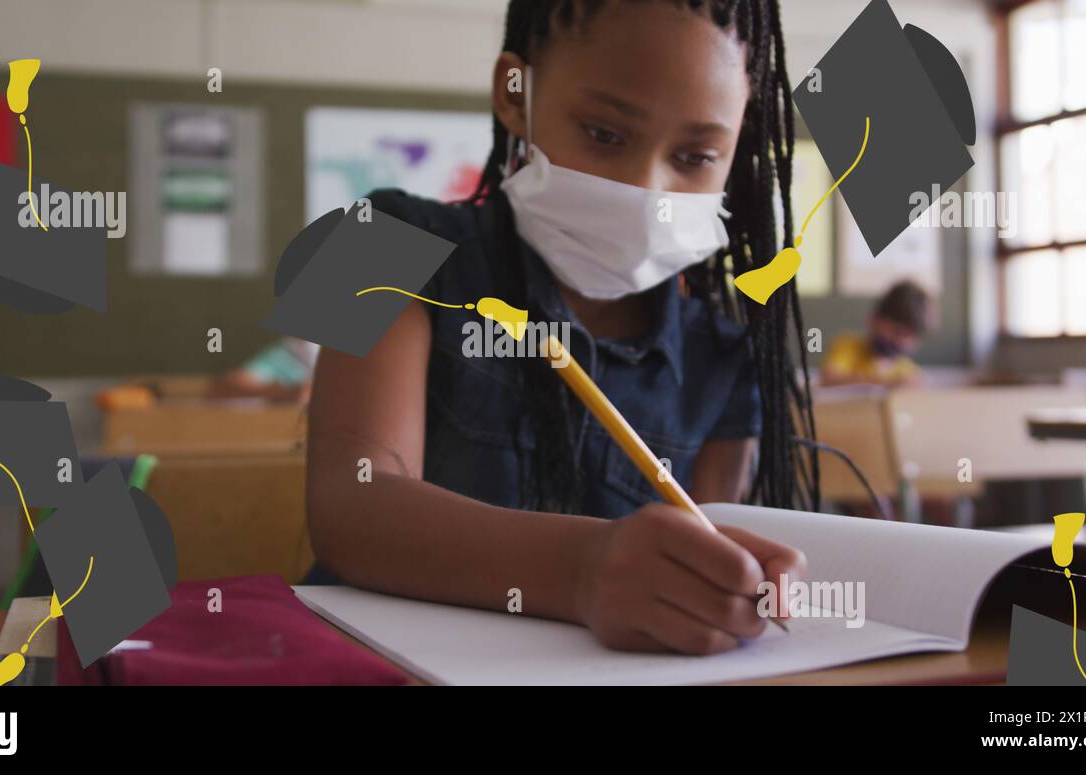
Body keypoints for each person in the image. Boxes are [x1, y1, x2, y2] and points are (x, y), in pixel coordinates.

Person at [306, 0, 815, 655]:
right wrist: (581, 568)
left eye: (695, 156)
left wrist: (725, 589)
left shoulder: (730, 355)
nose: (644, 184)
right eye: (605, 133)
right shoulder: (372, 238)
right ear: (513, 94)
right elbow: (347, 507)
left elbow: (706, 556)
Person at [821, 280, 934, 389]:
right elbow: (828, 379)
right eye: (897, 331)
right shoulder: (847, 346)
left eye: (911, 337)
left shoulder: (906, 369)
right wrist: (886, 383)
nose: (902, 342)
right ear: (874, 319)